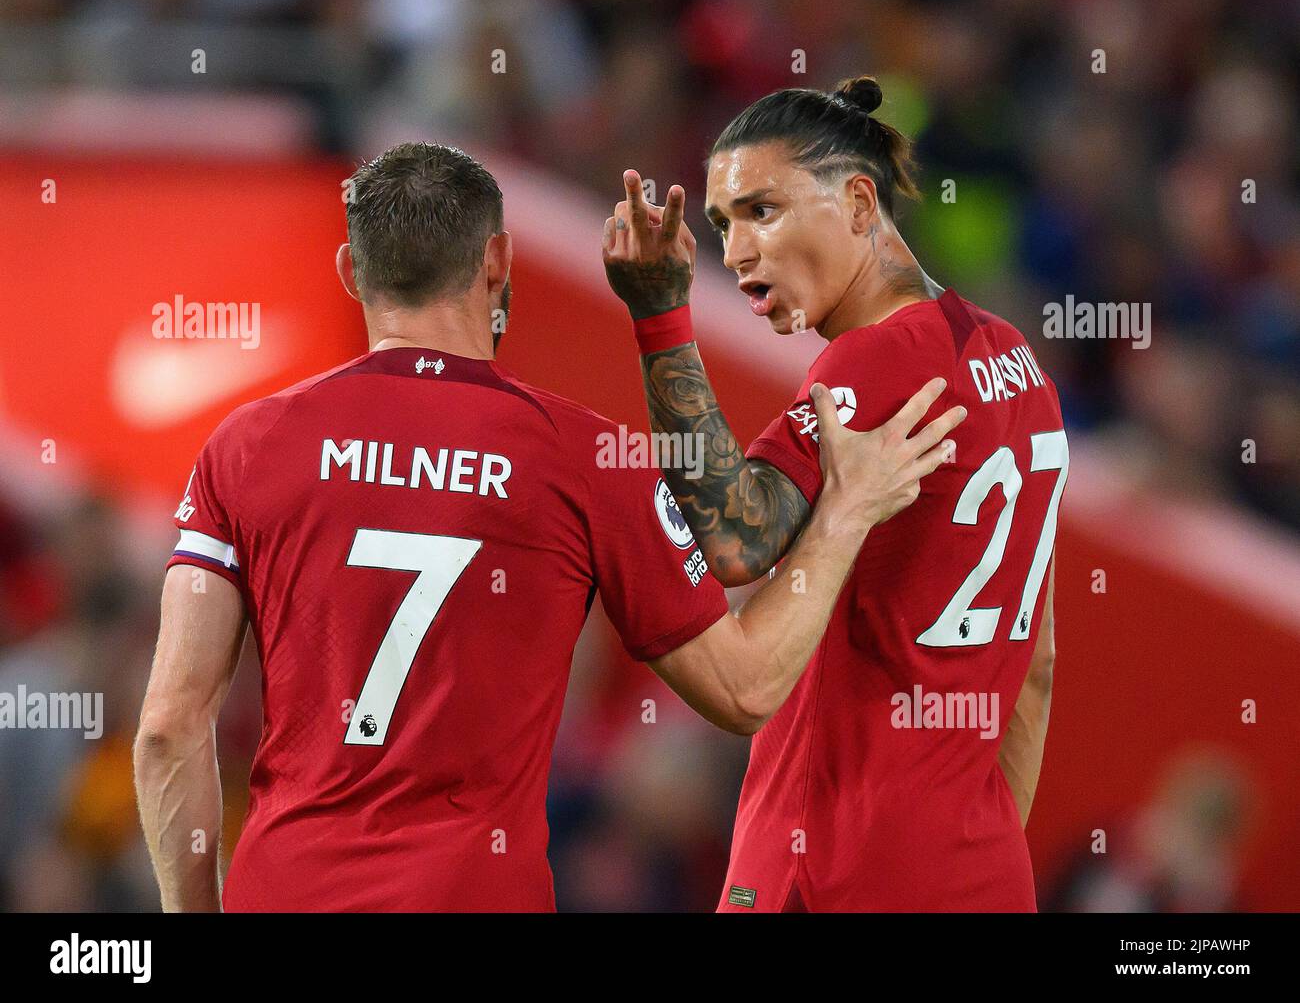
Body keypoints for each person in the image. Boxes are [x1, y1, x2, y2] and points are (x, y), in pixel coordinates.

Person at [133, 141, 965, 912]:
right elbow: (744, 690)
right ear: (497, 260)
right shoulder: (587, 456)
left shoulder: (246, 447)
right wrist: (846, 511)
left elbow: (171, 728)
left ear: (353, 271)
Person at [602, 75, 1065, 911]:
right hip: (981, 873)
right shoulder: (1020, 365)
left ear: (858, 202)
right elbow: (1034, 667)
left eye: (761, 210)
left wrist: (660, 317)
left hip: (828, 861)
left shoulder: (876, 360)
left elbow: (735, 541)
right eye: (721, 225)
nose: (736, 251)